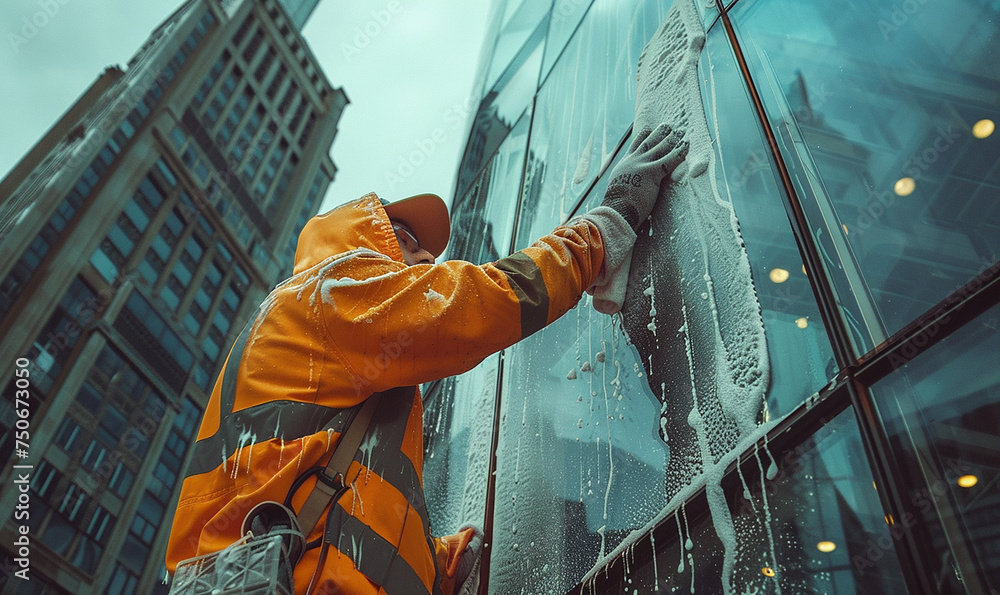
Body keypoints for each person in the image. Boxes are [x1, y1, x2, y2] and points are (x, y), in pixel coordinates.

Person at [165, 124, 687, 594]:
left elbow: (350, 522)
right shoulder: (331, 292)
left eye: (429, 254)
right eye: (407, 239)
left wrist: (443, 564)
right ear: (357, 235)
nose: (425, 258)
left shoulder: (340, 355)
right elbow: (478, 305)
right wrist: (602, 232)